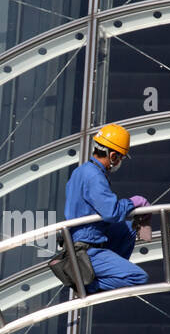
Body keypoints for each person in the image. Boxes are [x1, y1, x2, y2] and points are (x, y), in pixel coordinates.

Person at [62, 123, 149, 292]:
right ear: (113, 156)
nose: (119, 162)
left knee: (130, 228)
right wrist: (134, 202)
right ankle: (90, 285)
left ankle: (113, 267)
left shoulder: (81, 171)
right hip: (86, 249)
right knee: (138, 277)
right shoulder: (95, 176)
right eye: (121, 158)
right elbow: (112, 212)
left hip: (82, 240)